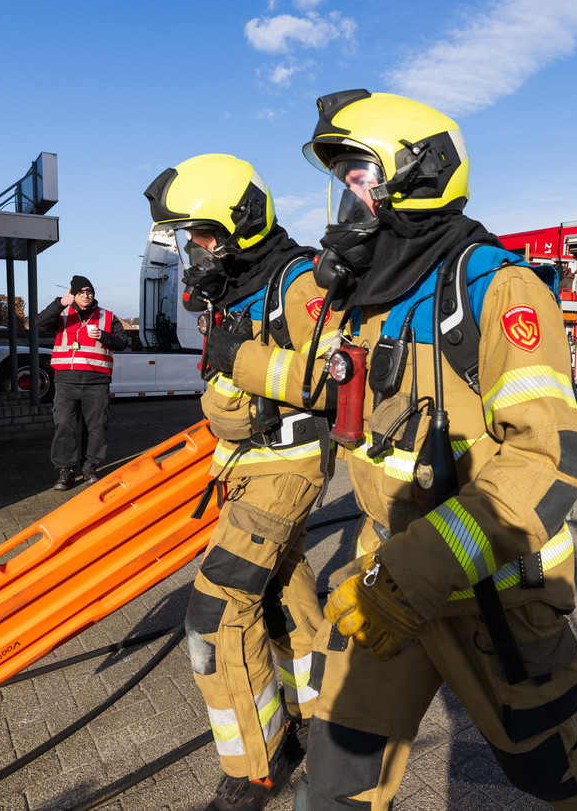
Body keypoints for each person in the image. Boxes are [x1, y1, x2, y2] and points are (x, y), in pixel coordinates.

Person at [291, 90, 577, 810]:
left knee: (547, 772)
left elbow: (545, 459)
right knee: (334, 781)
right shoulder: (369, 295)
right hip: (385, 586)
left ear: (415, 175)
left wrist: (414, 571)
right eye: (342, 181)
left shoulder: (496, 288)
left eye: (358, 175)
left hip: (490, 600)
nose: (346, 197)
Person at [144, 154, 336, 811]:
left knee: (217, 612)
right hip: (250, 468)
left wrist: (245, 364)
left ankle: (257, 763)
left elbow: (340, 382)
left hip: (287, 465)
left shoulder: (299, 284)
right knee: (286, 594)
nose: (191, 250)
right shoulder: (236, 289)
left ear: (236, 227)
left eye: (196, 235)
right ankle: (321, 717)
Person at [38, 275, 127, 491]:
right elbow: (37, 324)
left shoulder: (107, 316)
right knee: (65, 427)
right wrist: (59, 303)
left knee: (96, 427)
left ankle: (90, 468)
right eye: (81, 293)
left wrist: (104, 337)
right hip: (67, 381)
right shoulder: (62, 313)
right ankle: (66, 471)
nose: (86, 296)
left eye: (89, 293)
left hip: (96, 382)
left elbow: (123, 342)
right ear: (74, 295)